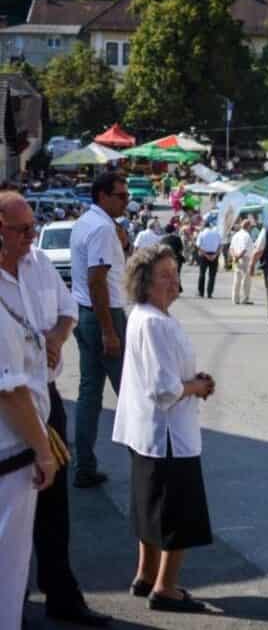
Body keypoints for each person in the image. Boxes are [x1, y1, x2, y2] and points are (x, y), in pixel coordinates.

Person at [0, 193, 110, 627]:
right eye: (22, 230)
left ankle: (60, 593)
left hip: (44, 403)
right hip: (13, 412)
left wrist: (58, 338)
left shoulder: (40, 263)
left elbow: (67, 311)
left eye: (32, 228)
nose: (31, 237)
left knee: (52, 507)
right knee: (11, 514)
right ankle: (14, 600)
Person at [111, 245, 215, 613]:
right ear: (144, 283)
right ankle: (166, 587)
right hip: (168, 434)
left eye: (174, 273)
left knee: (149, 507)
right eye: (164, 276)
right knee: (175, 515)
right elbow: (164, 388)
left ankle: (145, 575)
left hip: (148, 432)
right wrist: (196, 387)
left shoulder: (144, 315)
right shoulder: (153, 321)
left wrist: (190, 381)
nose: (173, 282)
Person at [0, 210, 59, 630]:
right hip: (10, 451)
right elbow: (11, 390)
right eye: (21, 229)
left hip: (14, 447)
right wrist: (44, 450)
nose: (30, 236)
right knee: (8, 572)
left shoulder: (31, 269)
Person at [69, 171, 129, 489]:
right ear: (103, 196)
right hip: (104, 314)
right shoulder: (103, 228)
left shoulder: (87, 223)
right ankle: (149, 466)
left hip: (86, 313)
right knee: (131, 391)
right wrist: (109, 330)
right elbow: (97, 281)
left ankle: (84, 465)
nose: (126, 200)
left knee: (90, 393)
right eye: (120, 195)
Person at [229, 220, 255, 305]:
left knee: (237, 279)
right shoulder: (246, 235)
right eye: (250, 226)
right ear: (248, 226)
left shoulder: (236, 234)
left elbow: (231, 248)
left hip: (236, 257)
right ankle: (245, 298)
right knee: (246, 279)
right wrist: (238, 257)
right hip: (244, 258)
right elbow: (244, 249)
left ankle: (235, 298)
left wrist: (234, 257)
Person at [195, 221, 221, 299]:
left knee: (202, 274)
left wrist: (206, 255)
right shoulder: (216, 234)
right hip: (214, 254)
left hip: (204, 255)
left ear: (204, 226)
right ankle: (209, 293)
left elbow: (198, 246)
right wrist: (215, 255)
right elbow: (220, 245)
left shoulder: (202, 233)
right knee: (212, 275)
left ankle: (201, 292)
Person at [158, 223, 185, 293]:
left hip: (166, 259)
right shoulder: (177, 238)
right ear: (173, 230)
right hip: (176, 258)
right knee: (177, 273)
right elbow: (181, 248)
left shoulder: (162, 239)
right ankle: (177, 287)